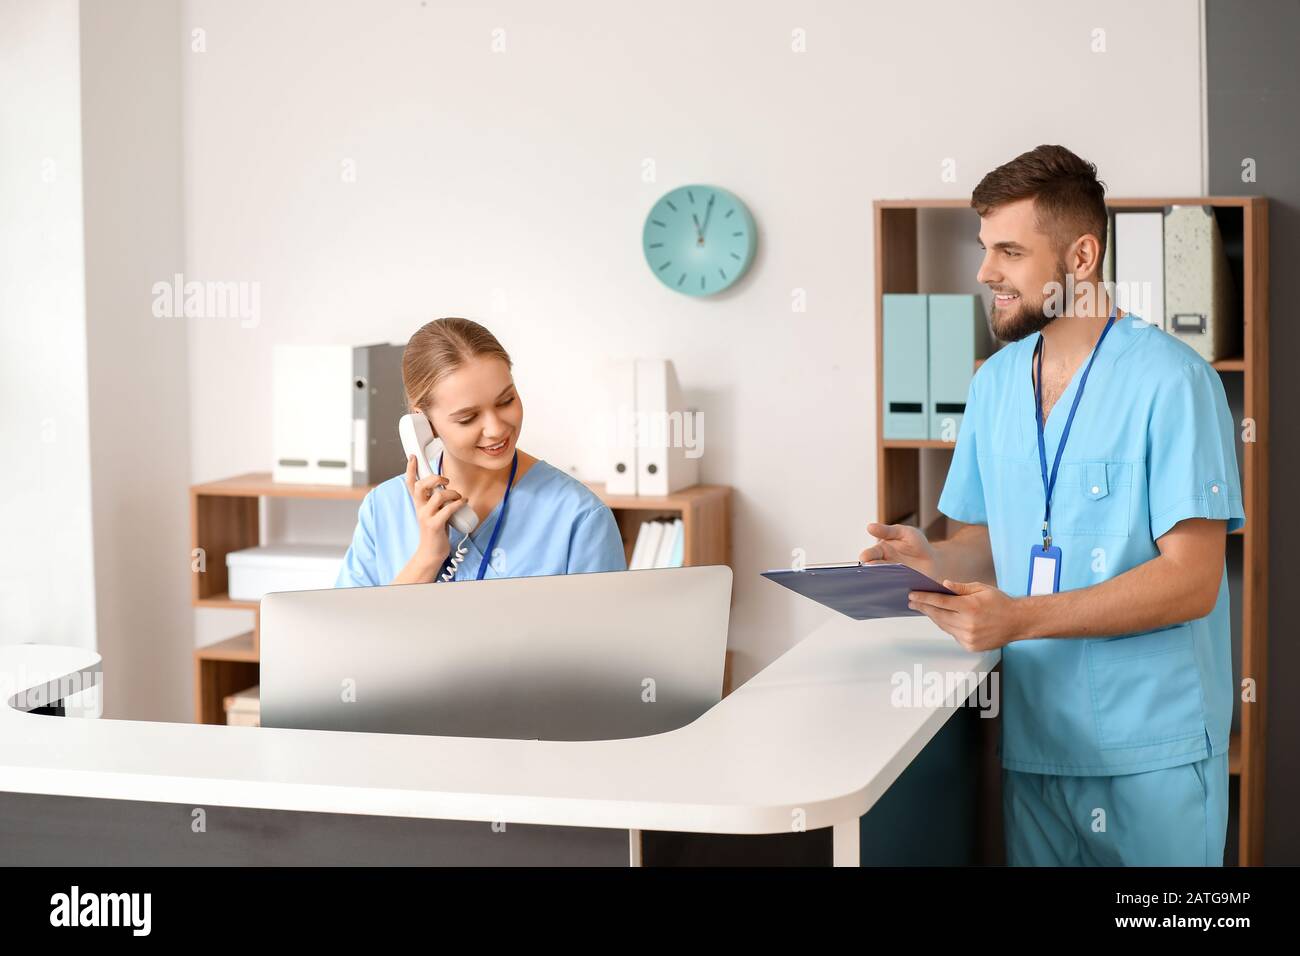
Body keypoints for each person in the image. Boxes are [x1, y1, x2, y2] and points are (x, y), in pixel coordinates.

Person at [861, 145, 1243, 866]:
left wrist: (1018, 618)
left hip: (1149, 755)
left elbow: (1192, 581)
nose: (985, 273)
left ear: (1082, 257)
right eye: (985, 249)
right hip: (1037, 747)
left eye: (1009, 250)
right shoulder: (995, 384)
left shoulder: (1174, 383)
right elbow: (983, 537)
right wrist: (933, 558)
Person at [335, 317, 627, 587]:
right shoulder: (383, 509)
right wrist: (426, 558)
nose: (496, 429)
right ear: (423, 422)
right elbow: (355, 635)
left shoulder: (579, 517)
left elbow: (605, 639)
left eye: (506, 401)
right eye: (468, 418)